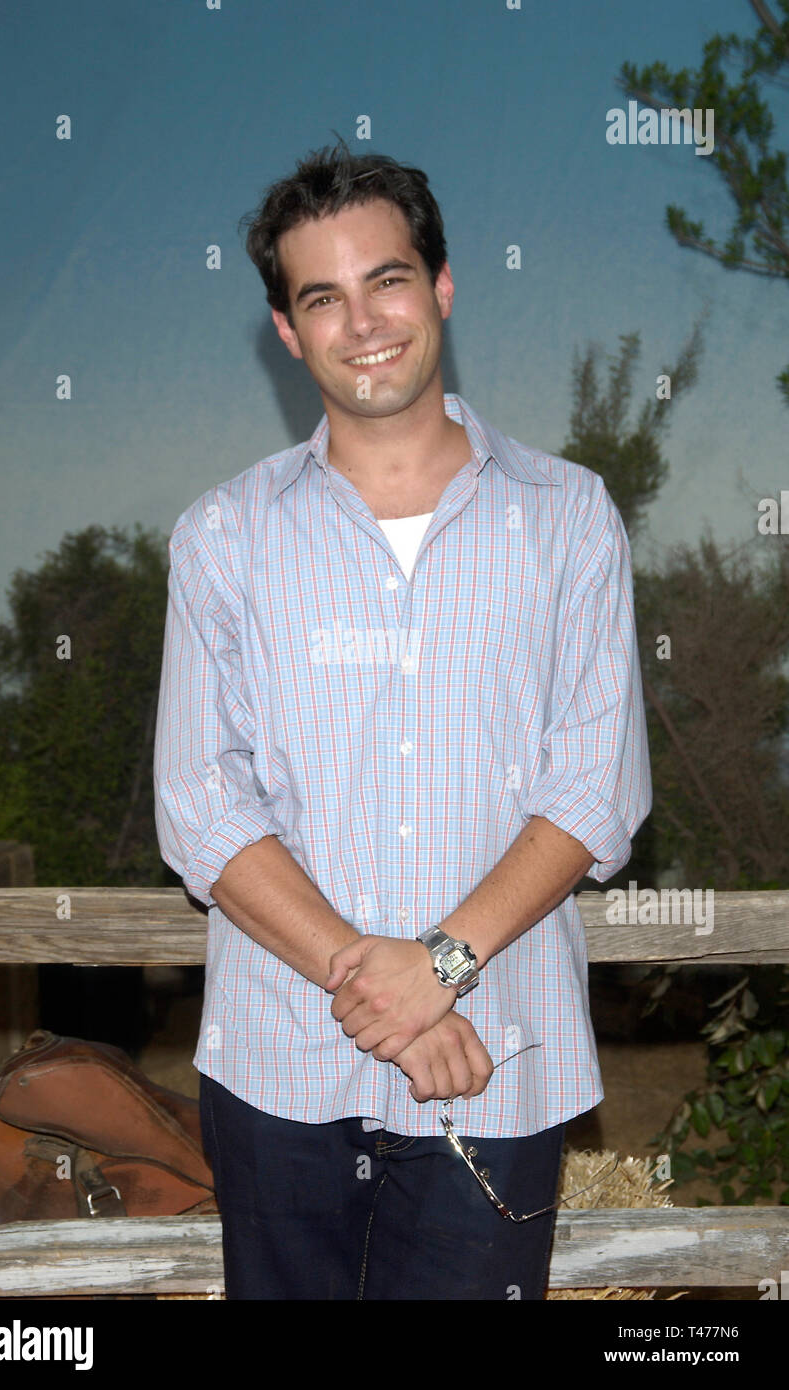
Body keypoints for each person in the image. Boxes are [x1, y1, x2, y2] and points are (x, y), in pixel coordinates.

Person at [153, 139, 652, 1301]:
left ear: (440, 285)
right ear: (285, 330)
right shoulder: (222, 537)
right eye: (320, 296)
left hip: (498, 1068)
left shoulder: (570, 518)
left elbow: (594, 787)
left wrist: (442, 962)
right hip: (278, 1070)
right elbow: (199, 804)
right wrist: (385, 984)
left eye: (384, 278)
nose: (360, 319)